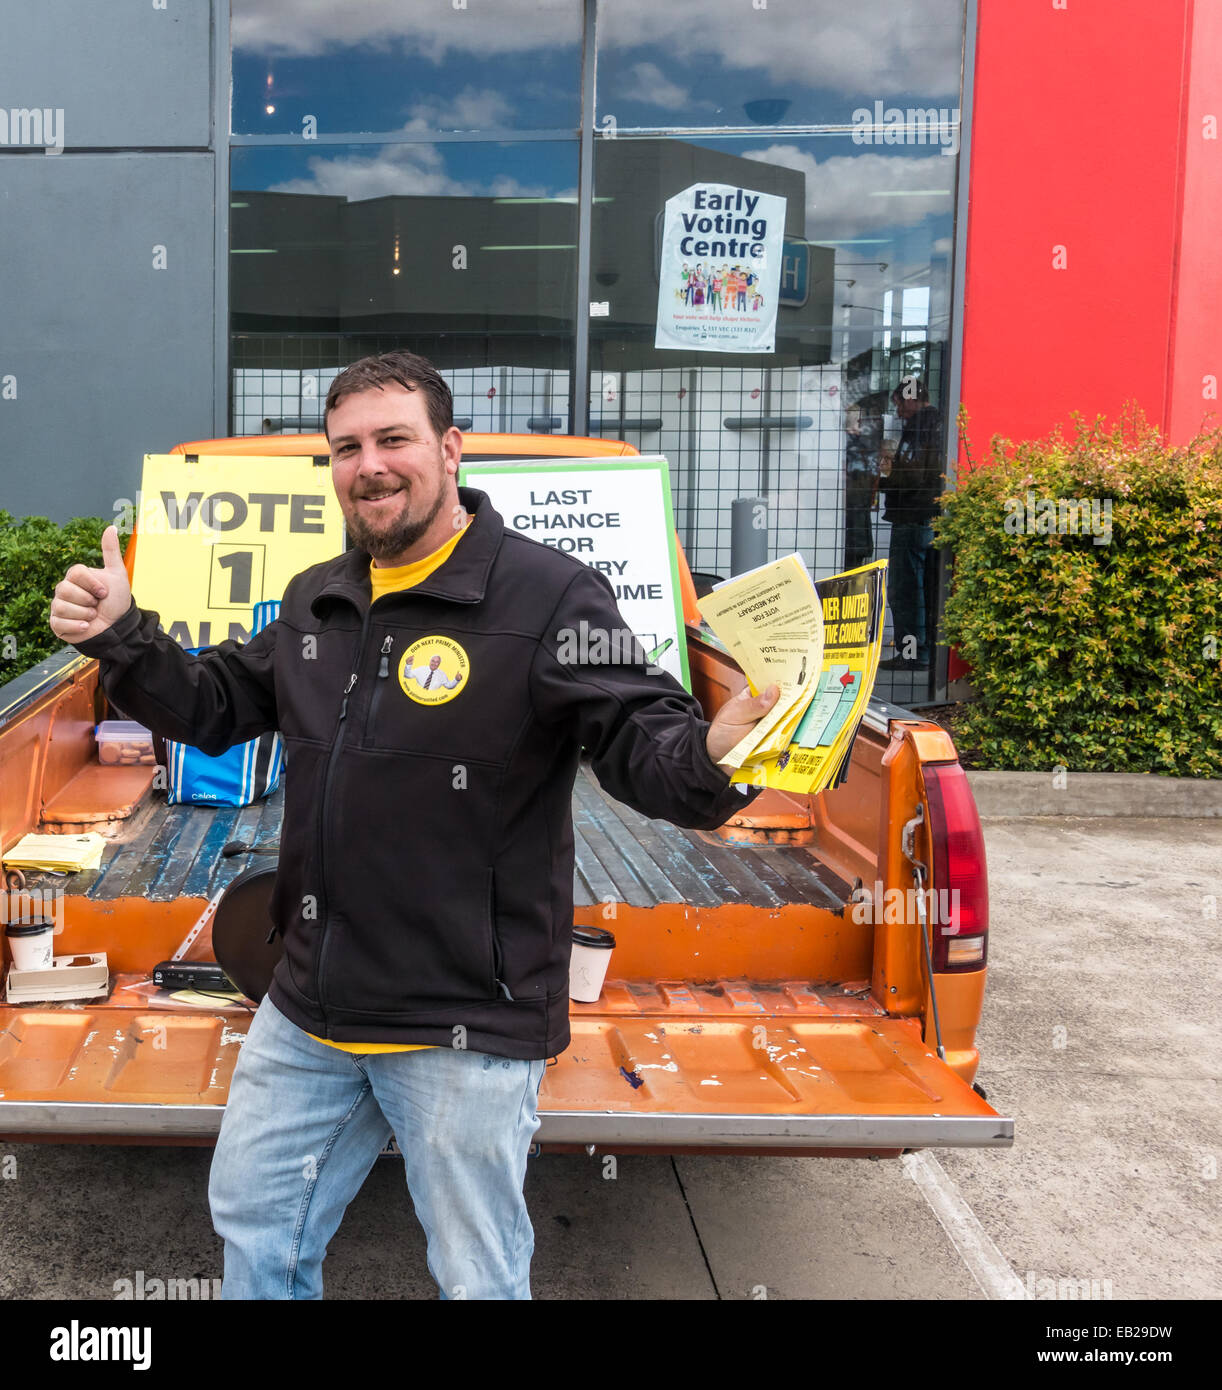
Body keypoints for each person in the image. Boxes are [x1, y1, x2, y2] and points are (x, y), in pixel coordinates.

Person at [48, 349, 780, 1301]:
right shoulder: (322, 594)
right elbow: (216, 703)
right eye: (346, 447)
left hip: (462, 1016)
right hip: (311, 999)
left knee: (476, 1274)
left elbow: (645, 747)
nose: (370, 464)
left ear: (450, 447)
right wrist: (123, 635)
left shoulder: (550, 597)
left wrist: (714, 754)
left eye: (394, 438)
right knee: (258, 1220)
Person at [878, 375, 943, 671]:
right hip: (930, 518)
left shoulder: (918, 428)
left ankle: (911, 654)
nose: (899, 413)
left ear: (911, 399)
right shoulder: (939, 425)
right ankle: (924, 652)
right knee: (926, 588)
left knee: (905, 589)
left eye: (900, 406)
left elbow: (913, 475)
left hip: (911, 517)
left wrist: (886, 475)